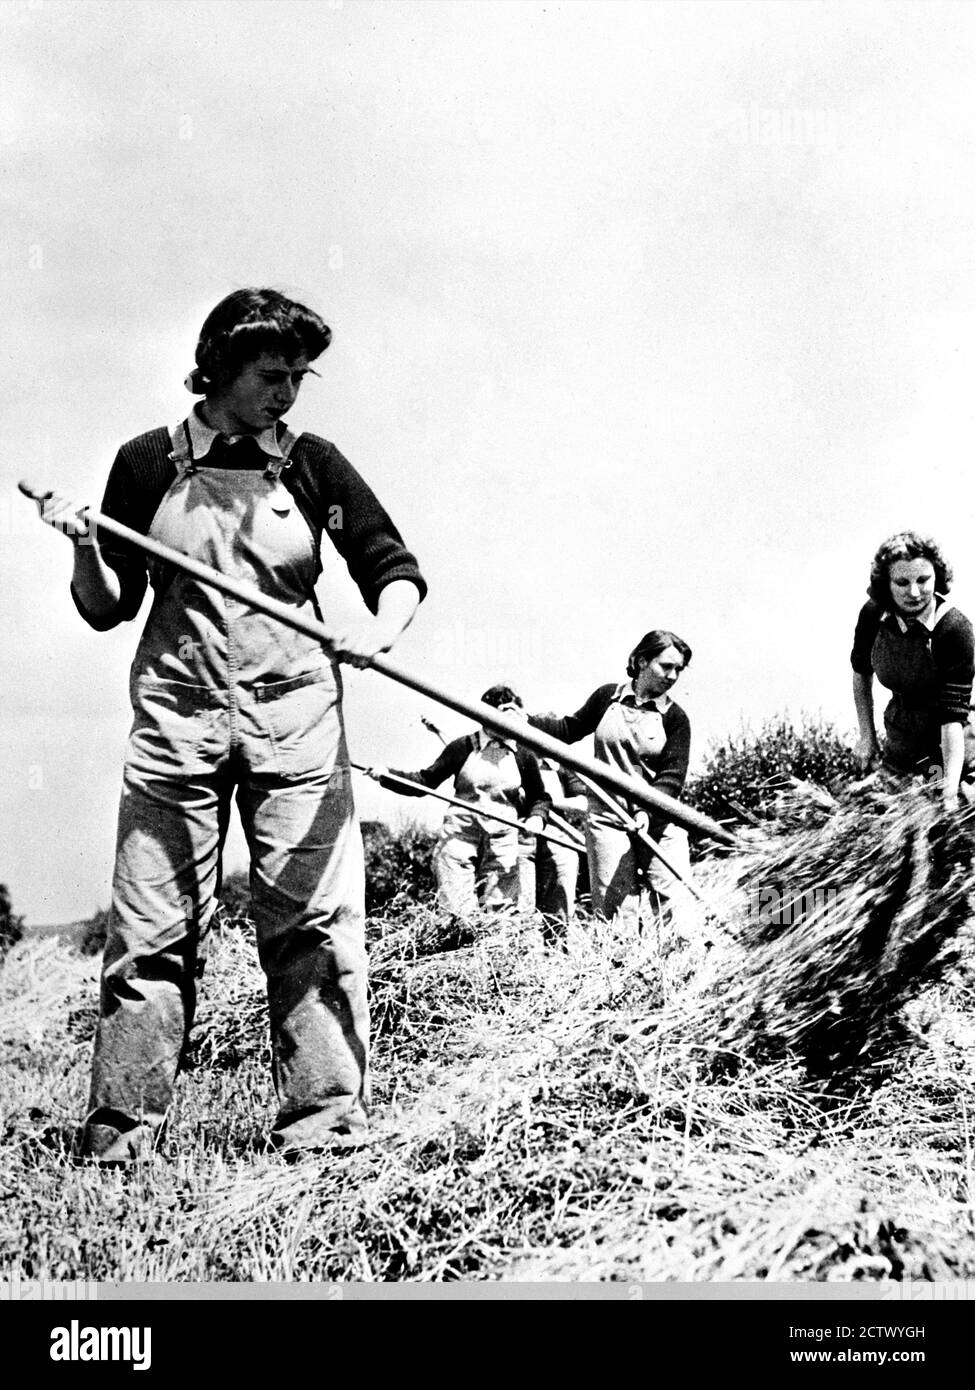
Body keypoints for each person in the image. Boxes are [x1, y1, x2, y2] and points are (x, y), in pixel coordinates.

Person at [35, 287, 426, 1160]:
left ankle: (323, 1130)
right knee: (149, 936)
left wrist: (380, 627)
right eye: (268, 376)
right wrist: (83, 546)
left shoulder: (314, 466)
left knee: (314, 932)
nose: (284, 395)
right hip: (177, 725)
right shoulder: (145, 464)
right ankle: (121, 1139)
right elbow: (108, 609)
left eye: (297, 378)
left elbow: (390, 567)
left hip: (296, 725)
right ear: (216, 371)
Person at [529, 631, 693, 928]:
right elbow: (569, 729)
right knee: (615, 908)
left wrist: (646, 810)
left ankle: (681, 968)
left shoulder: (675, 717)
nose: (673, 676)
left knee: (673, 900)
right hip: (606, 814)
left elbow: (672, 775)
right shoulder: (608, 697)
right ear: (642, 661)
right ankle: (622, 969)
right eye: (666, 666)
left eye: (678, 669)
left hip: (658, 816)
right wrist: (524, 722)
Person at [366, 686, 550, 918]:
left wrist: (537, 817)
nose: (510, 725)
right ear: (485, 716)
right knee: (456, 914)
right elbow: (424, 782)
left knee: (501, 915)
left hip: (502, 842)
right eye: (503, 716)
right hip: (460, 838)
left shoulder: (522, 754)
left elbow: (540, 797)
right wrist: (386, 775)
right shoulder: (462, 747)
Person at [851, 531, 975, 810]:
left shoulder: (954, 629)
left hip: (952, 746)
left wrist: (950, 793)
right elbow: (861, 672)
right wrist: (867, 736)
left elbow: (951, 718)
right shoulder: (873, 616)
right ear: (887, 584)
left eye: (923, 580)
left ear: (937, 577)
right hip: (902, 740)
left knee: (949, 817)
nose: (915, 592)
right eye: (902, 582)